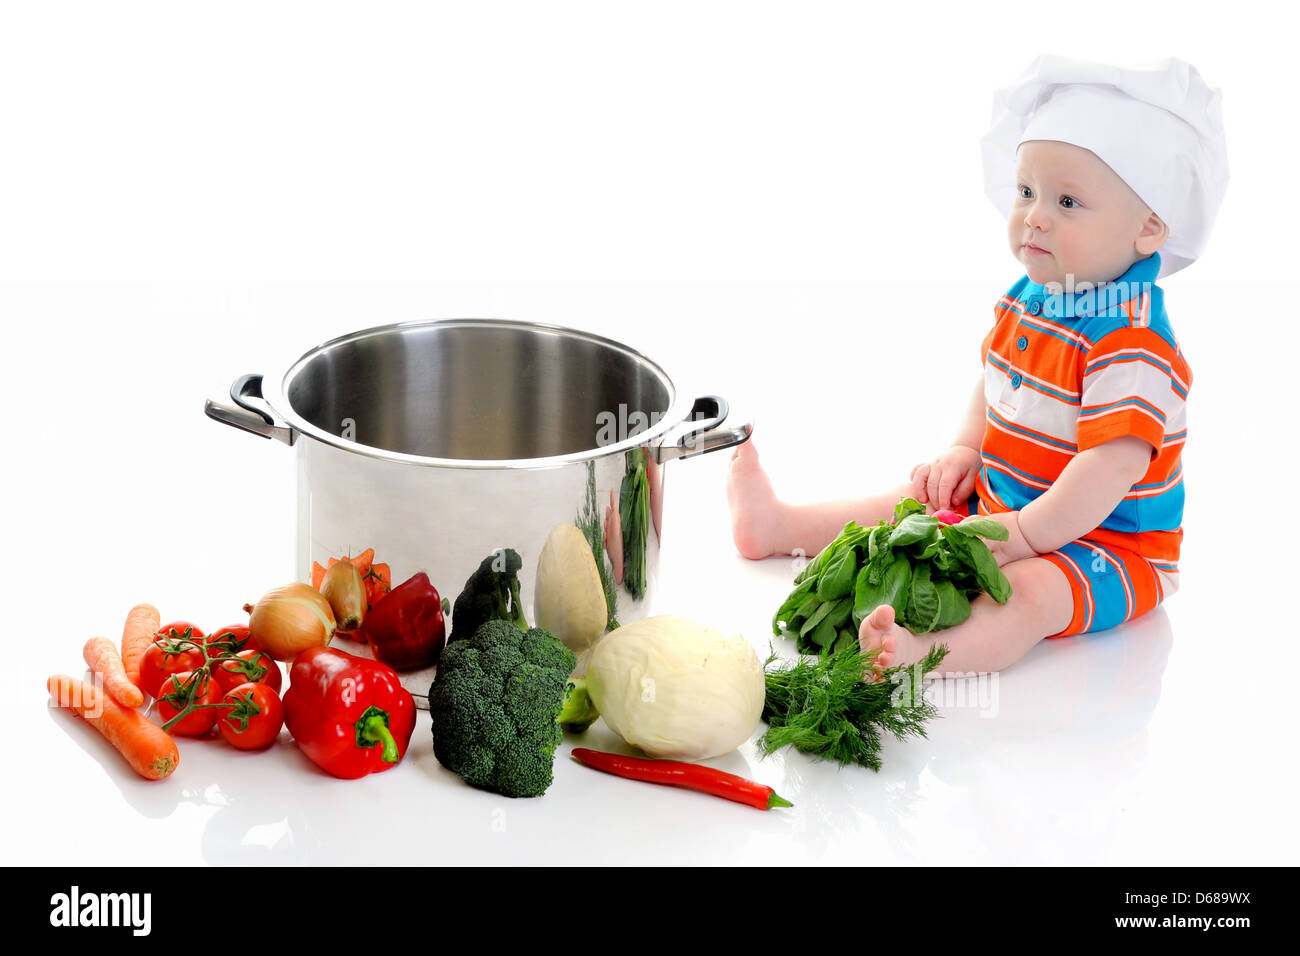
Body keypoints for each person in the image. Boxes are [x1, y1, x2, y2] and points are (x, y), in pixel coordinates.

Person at [726, 56, 1229, 675]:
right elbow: (996, 383)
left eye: (1068, 201)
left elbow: (1106, 471)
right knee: (907, 507)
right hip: (1007, 502)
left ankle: (924, 656)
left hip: (1104, 546)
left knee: (1032, 594)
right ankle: (779, 527)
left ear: (1149, 228)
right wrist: (967, 450)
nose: (1035, 216)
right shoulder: (1035, 293)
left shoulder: (1133, 341)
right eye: (1027, 192)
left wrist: (1021, 538)